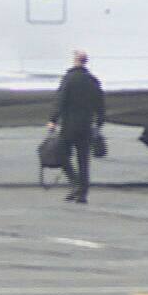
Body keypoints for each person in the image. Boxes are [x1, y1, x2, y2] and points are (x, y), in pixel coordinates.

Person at [48, 49, 105, 203]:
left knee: (62, 155)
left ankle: (75, 182)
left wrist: (53, 120)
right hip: (86, 126)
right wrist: (99, 122)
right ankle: (82, 193)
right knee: (83, 160)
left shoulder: (69, 79)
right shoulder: (92, 80)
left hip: (69, 125)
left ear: (75, 61)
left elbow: (60, 100)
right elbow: (100, 103)